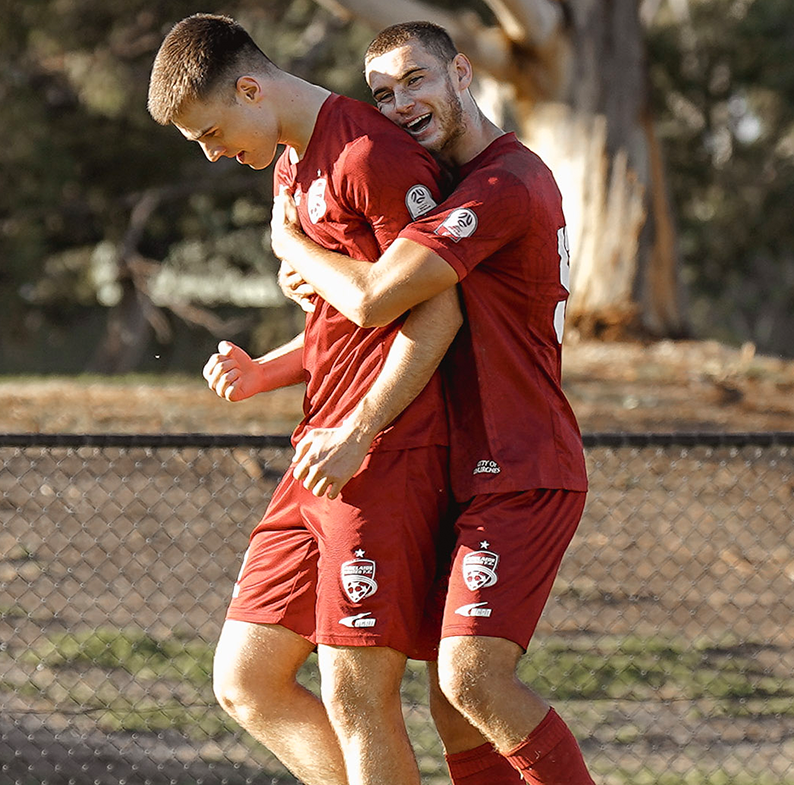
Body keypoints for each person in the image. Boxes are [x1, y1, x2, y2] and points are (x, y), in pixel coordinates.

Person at [147, 14, 469, 785]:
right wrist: (268, 369)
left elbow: (436, 310)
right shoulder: (290, 166)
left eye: (212, 131)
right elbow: (345, 318)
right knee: (245, 676)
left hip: (381, 450)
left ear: (252, 88)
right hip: (317, 450)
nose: (213, 152)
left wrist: (361, 430)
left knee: (356, 689)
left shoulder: (368, 154)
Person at [270, 21, 595, 785]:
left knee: (472, 678)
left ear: (461, 73)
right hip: (458, 463)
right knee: (453, 701)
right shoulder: (444, 187)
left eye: (415, 79)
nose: (399, 101)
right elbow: (372, 301)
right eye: (382, 93)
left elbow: (382, 296)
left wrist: (294, 247)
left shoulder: (502, 182)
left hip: (521, 461)